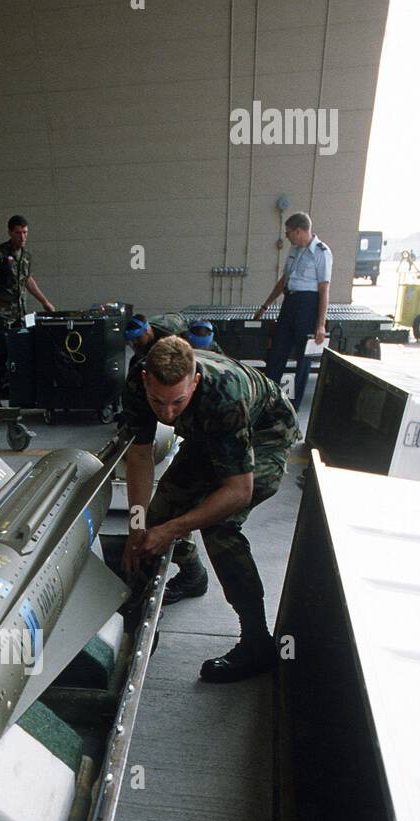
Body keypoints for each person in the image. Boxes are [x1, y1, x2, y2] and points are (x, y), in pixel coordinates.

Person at [120, 336, 299, 683]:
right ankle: (191, 576)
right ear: (145, 381)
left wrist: (173, 529)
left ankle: (256, 643)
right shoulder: (136, 383)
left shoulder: (223, 396)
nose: (167, 413)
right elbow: (140, 455)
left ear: (195, 381)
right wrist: (137, 527)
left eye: (177, 402)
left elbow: (238, 491)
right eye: (158, 402)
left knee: (220, 527)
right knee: (157, 517)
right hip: (207, 434)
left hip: (264, 434)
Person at [256, 211, 332, 409]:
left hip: (308, 306)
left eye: (289, 232)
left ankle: (293, 407)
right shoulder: (294, 250)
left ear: (299, 231)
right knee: (276, 353)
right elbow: (284, 281)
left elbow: (324, 290)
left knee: (303, 359)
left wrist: (320, 325)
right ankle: (268, 400)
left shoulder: (322, 253)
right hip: (289, 304)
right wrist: (266, 305)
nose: (287, 236)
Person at [0, 215, 55, 398]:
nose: (22, 237)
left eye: (25, 232)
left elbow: (27, 280)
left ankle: (16, 395)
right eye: (18, 233)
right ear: (10, 232)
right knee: (2, 357)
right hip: (0, 315)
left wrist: (44, 301)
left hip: (19, 314)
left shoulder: (26, 256)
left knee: (20, 355)